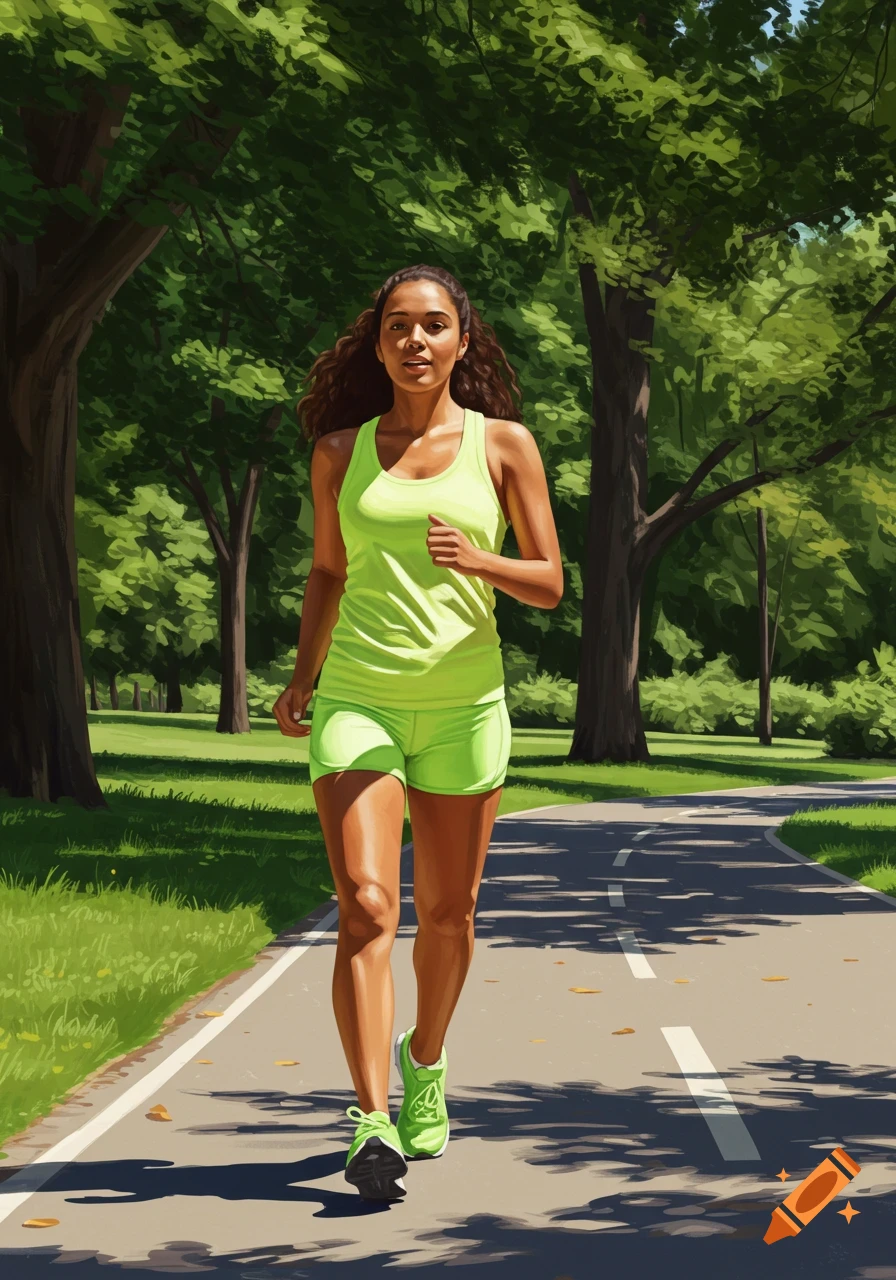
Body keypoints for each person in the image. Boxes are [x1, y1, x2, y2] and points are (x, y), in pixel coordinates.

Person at [272, 263, 564, 1201]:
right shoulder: (338, 453)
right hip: (360, 697)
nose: (414, 341)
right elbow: (326, 573)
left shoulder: (505, 445)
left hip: (465, 709)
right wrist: (303, 677)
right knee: (365, 902)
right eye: (398, 326)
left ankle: (425, 1060)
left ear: (462, 342)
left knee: (448, 916)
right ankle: (368, 1119)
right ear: (379, 341)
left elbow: (551, 582)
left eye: (433, 325)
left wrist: (480, 558)